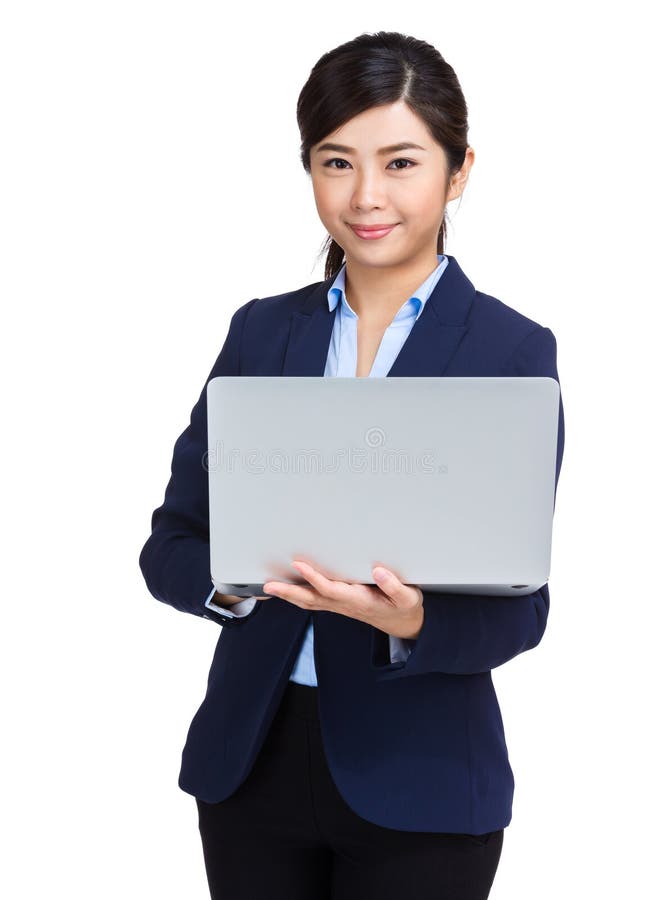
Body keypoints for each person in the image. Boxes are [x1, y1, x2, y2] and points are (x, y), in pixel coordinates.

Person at [139, 30, 565, 900]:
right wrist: (239, 587)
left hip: (422, 780)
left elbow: (521, 612)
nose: (366, 196)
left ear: (458, 170)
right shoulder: (261, 333)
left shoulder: (510, 351)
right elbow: (172, 544)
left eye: (400, 162)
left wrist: (410, 621)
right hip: (251, 766)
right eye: (336, 163)